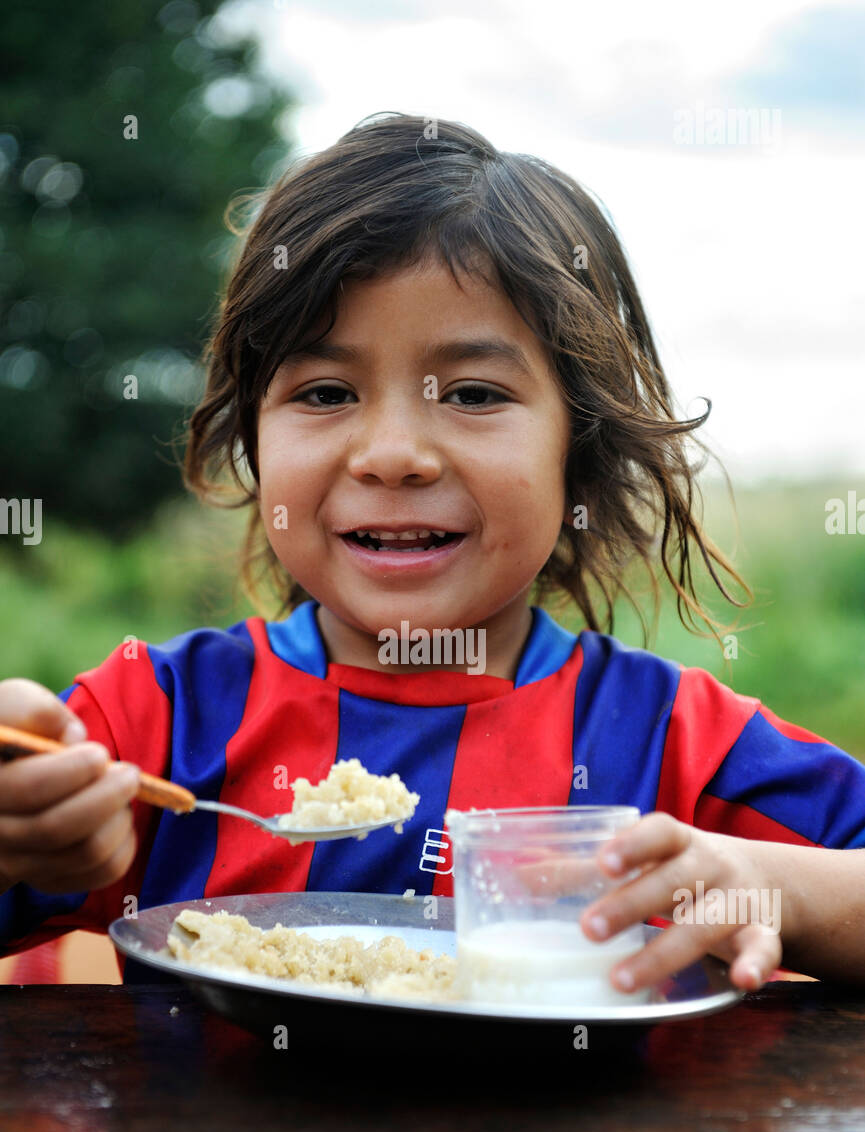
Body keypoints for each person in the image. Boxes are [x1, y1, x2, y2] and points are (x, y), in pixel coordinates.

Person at [1, 113, 863, 988]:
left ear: (581, 447)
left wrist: (765, 882)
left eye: (474, 392)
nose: (392, 453)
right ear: (254, 445)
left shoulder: (671, 740)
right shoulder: (151, 722)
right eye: (328, 391)